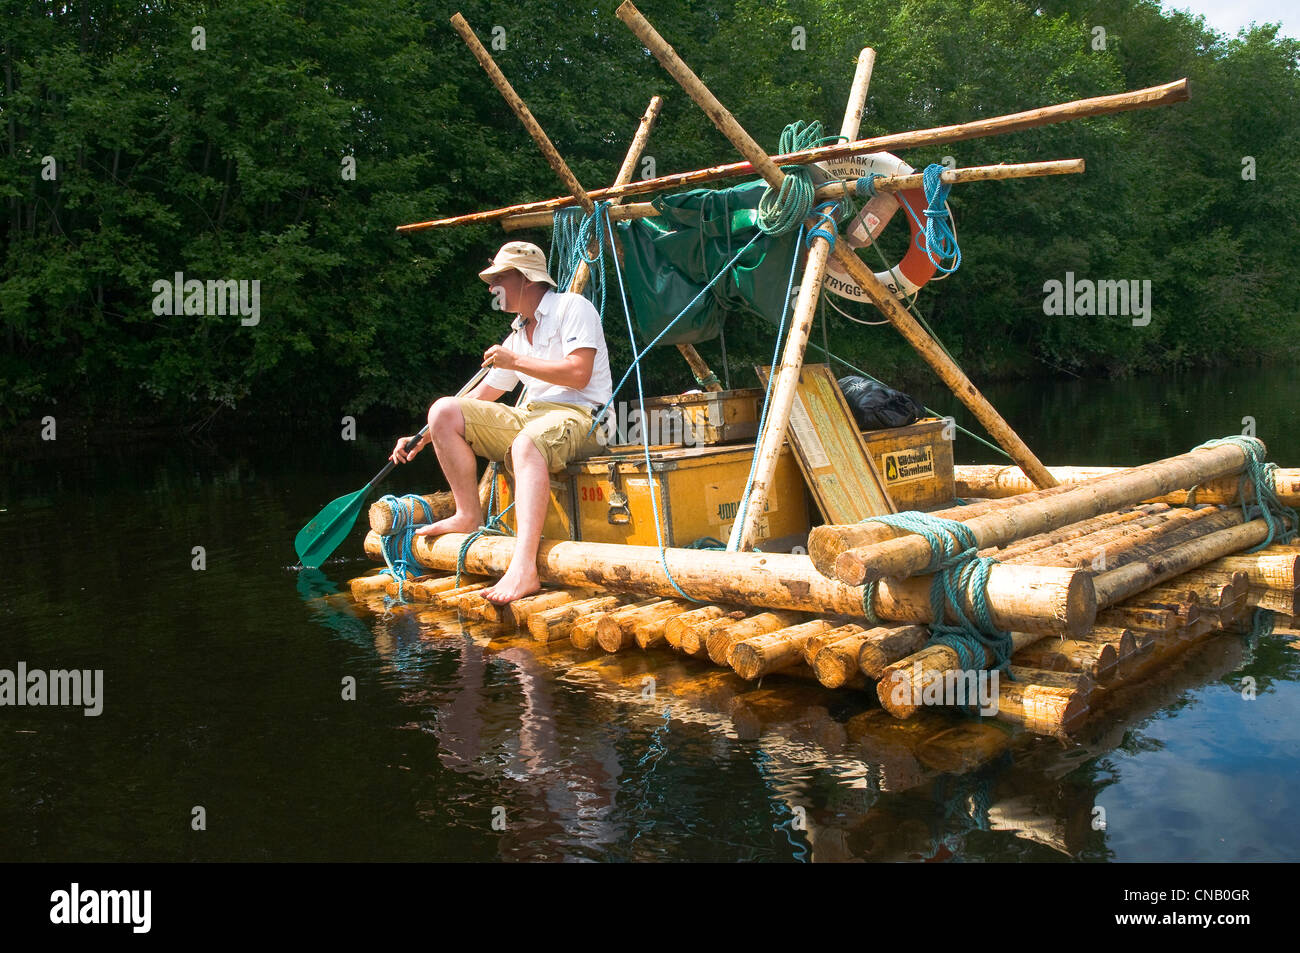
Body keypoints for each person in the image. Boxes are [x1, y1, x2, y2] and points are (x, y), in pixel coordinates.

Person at [389, 241, 612, 604]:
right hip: (534, 415)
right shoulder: (518, 332)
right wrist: (423, 436)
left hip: (584, 415)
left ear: (525, 279)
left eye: (499, 278)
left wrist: (515, 361)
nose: (493, 287)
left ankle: (524, 568)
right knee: (445, 410)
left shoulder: (574, 307)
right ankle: (467, 514)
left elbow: (579, 374)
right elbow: (480, 397)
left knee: (526, 442)